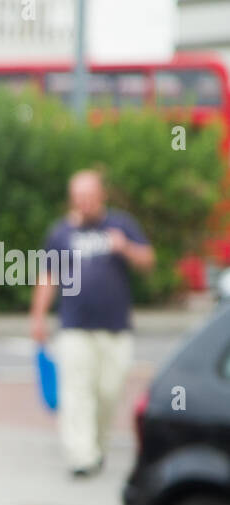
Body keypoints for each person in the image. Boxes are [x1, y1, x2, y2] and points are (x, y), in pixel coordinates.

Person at [30, 169, 155, 478]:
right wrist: (38, 317)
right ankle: (80, 456)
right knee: (76, 391)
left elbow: (148, 261)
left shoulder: (121, 225)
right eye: (78, 197)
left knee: (108, 392)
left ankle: (96, 447)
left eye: (89, 196)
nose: (83, 203)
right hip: (74, 327)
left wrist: (125, 247)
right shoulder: (61, 233)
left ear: (101, 195)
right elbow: (48, 277)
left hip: (115, 328)